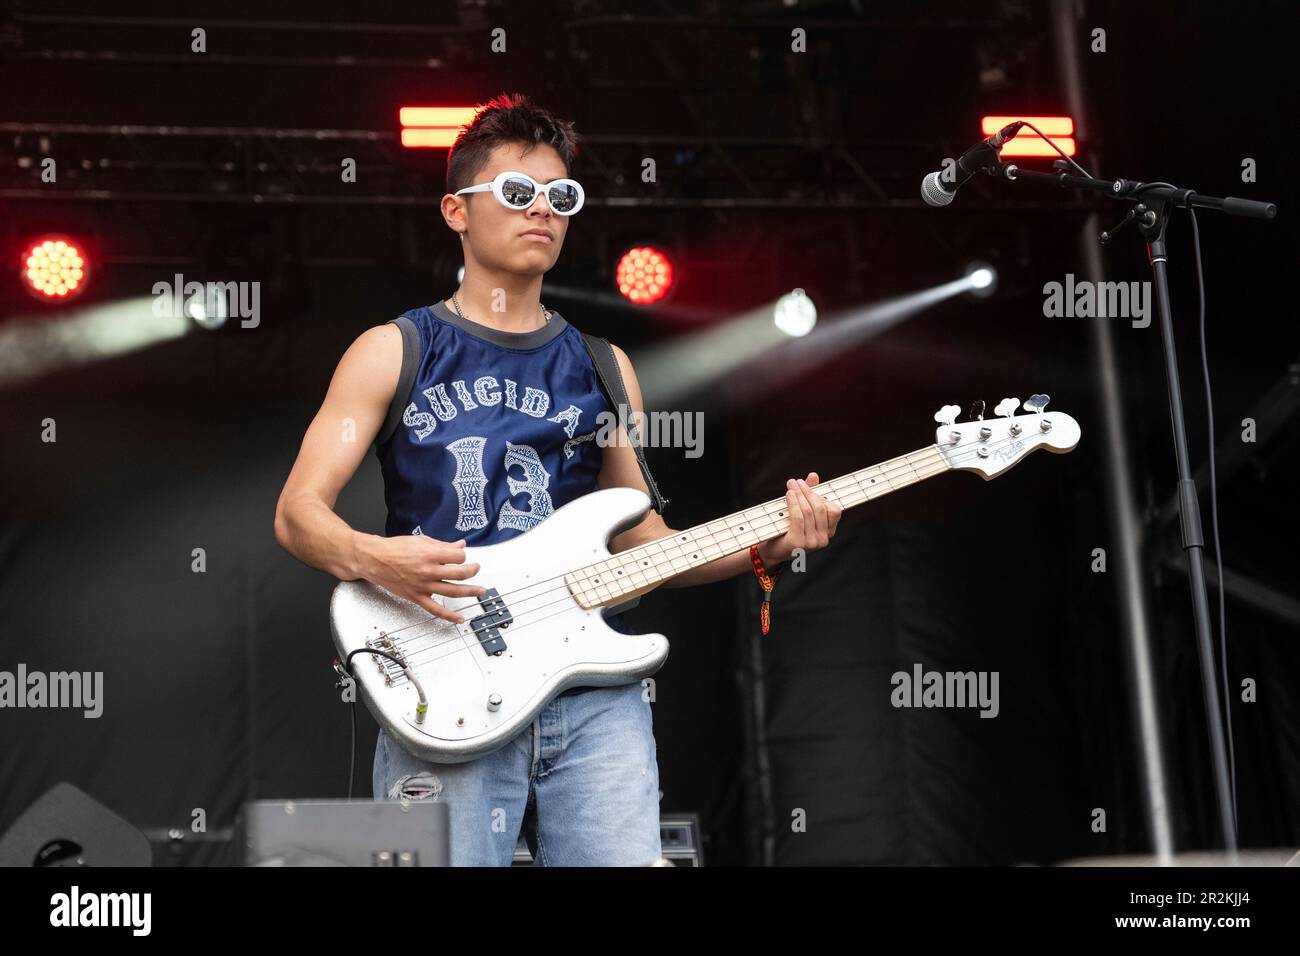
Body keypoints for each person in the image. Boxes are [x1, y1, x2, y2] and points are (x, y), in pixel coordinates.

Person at [273, 93, 841, 865]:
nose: (542, 210)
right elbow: (299, 514)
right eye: (516, 193)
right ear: (455, 211)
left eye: (560, 196)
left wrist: (767, 545)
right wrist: (376, 559)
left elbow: (644, 540)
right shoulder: (393, 350)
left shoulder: (605, 367)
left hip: (593, 698)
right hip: (445, 680)